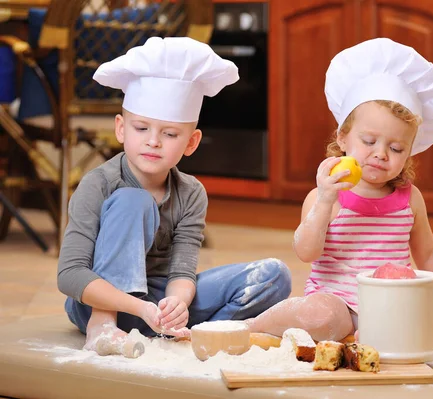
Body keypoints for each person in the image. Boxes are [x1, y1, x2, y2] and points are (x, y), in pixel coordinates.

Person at [57, 37, 292, 354]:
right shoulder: (99, 183)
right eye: (141, 128)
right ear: (121, 129)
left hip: (155, 303)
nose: (153, 142)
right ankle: (105, 328)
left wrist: (176, 302)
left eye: (169, 134)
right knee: (133, 200)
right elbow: (70, 275)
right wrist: (138, 308)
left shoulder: (191, 192)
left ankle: (184, 334)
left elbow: (182, 270)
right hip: (98, 304)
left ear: (191, 142)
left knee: (274, 276)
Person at [247, 38, 433, 347]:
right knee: (321, 315)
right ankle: (250, 324)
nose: (381, 154)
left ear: (410, 151)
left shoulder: (410, 199)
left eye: (396, 147)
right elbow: (306, 252)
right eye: (369, 141)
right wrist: (325, 201)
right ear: (343, 138)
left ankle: (380, 335)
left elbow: (429, 254)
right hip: (338, 306)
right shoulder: (327, 195)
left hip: (396, 307)